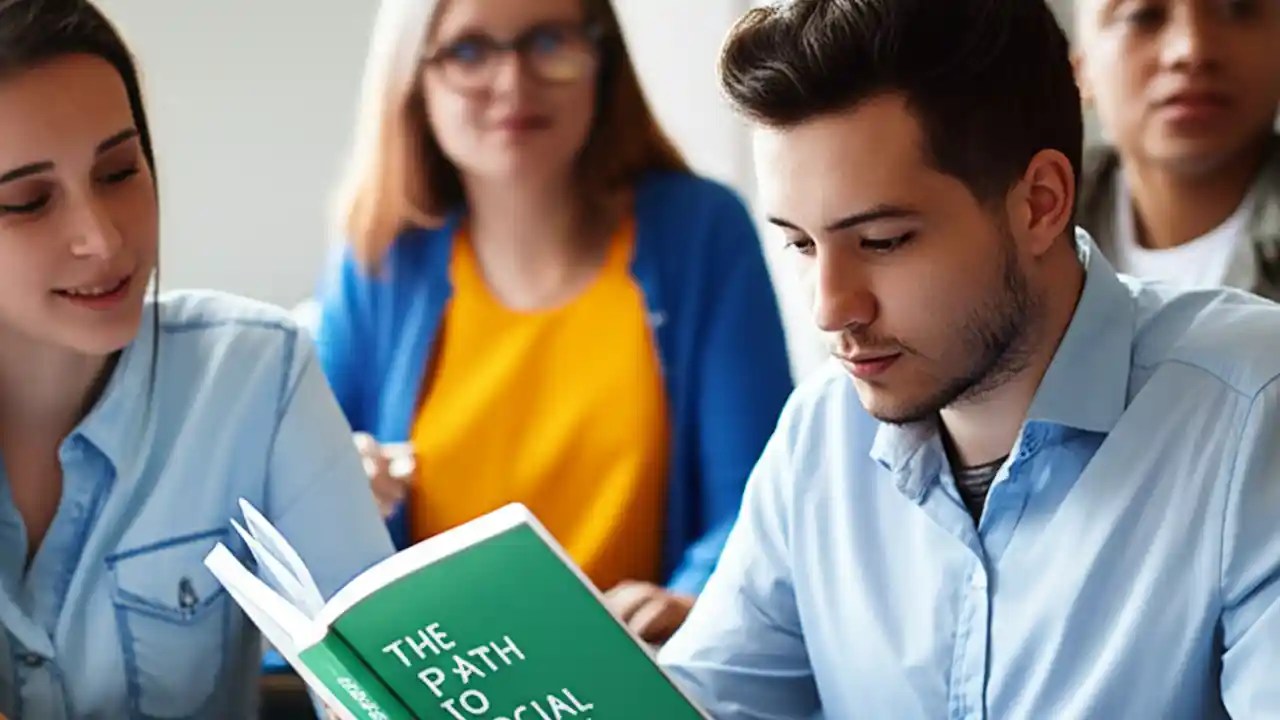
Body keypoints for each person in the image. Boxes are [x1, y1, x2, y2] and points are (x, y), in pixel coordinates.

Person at [658, 0, 1280, 717]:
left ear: (1041, 204)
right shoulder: (821, 436)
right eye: (801, 244)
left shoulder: (1252, 412)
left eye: (884, 240)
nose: (830, 309)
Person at [313, 0, 793, 645]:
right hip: (437, 677)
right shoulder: (378, 259)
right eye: (469, 50)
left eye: (549, 42)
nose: (513, 83)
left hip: (638, 671)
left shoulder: (702, 231)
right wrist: (344, 486)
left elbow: (758, 502)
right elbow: (306, 504)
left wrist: (691, 600)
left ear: (602, 57)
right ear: (413, 76)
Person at [0, 1, 394, 717]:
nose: (102, 238)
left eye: (119, 171)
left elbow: (379, 688)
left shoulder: (256, 374)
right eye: (28, 202)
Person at [1072, 0, 1280, 298]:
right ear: (1080, 69)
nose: (1191, 49)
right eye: (1142, 16)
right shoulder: (1023, 239)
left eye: (1235, 9)